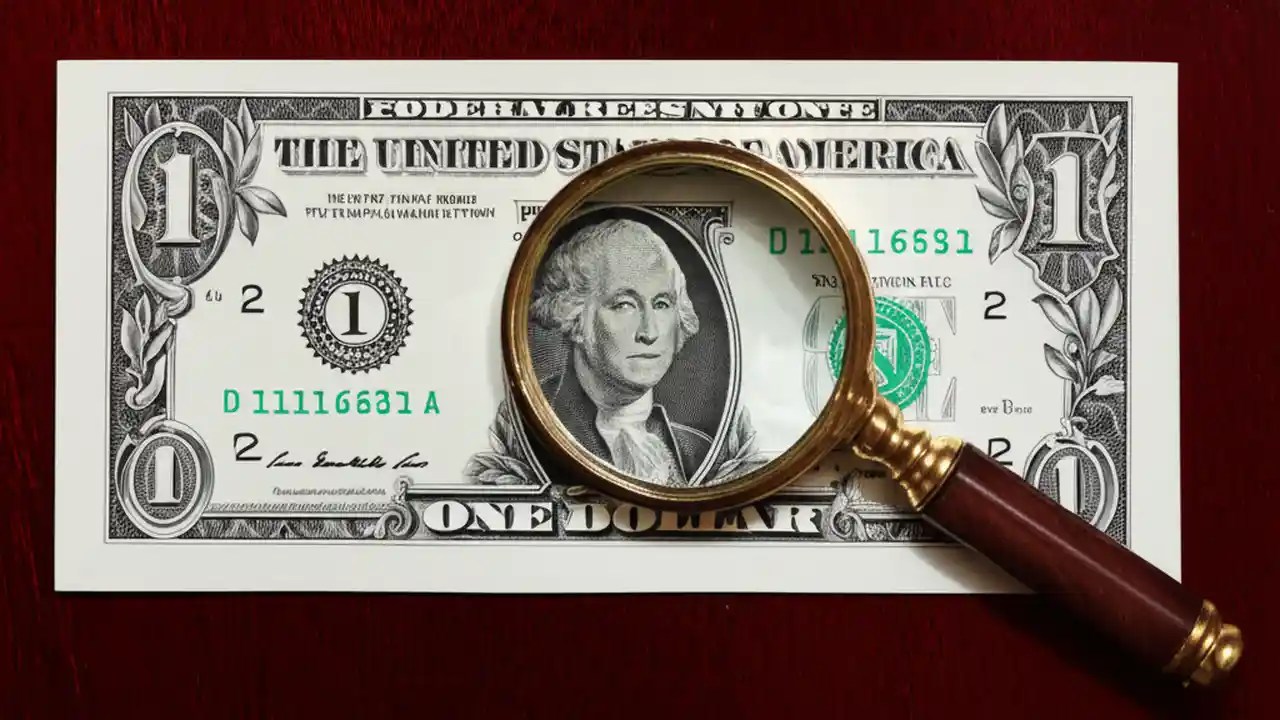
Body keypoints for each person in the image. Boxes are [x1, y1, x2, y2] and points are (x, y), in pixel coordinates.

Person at [529, 216, 712, 486]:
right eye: (625, 305)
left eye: (661, 304)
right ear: (575, 315)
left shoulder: (698, 450)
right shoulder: (534, 430)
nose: (649, 332)